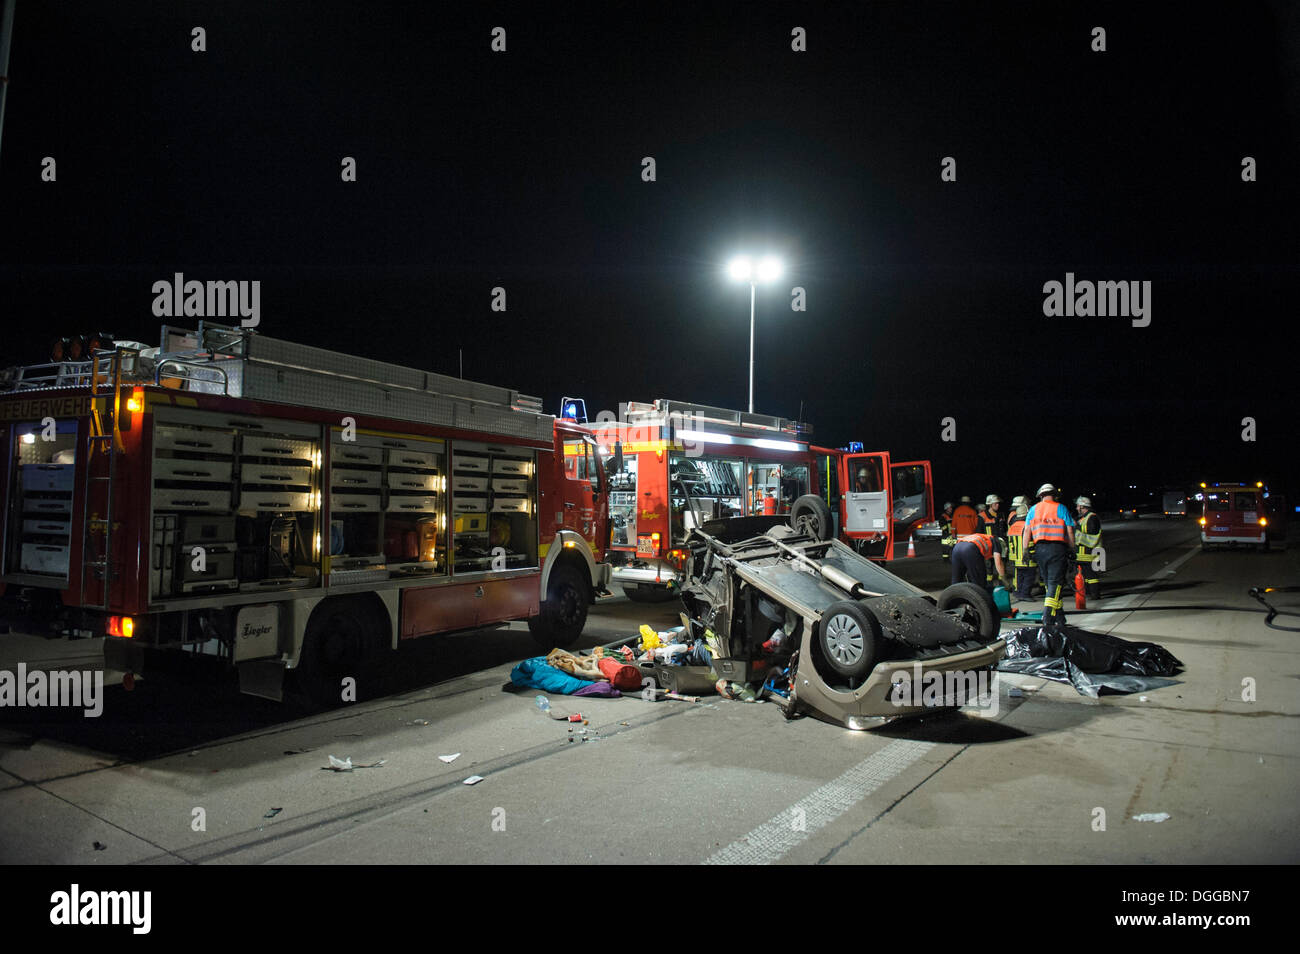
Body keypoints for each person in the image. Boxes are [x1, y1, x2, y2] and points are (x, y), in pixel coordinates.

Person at [1022, 483, 1076, 629]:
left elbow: (1027, 531)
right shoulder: (1061, 508)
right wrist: (1072, 548)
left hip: (1040, 550)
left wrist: (1025, 550)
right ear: (1054, 494)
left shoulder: (1033, 509)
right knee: (1055, 584)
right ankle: (1047, 617)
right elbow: (1070, 530)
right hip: (1057, 549)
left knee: (1049, 584)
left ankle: (1060, 617)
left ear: (1040, 495)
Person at [1006, 497, 1037, 599]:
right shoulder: (1026, 526)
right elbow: (1030, 541)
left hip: (1016, 559)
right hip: (1027, 557)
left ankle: (1019, 593)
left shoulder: (1012, 526)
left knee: (1019, 576)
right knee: (1029, 576)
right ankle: (1025, 594)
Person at [1074, 495, 1103, 599]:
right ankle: (1088, 593)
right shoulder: (1083, 518)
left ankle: (1095, 594)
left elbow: (1091, 534)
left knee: (1091, 576)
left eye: (1078, 506)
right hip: (1082, 554)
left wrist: (1076, 528)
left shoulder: (1092, 517)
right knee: (1085, 575)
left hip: (1090, 553)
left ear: (1082, 506)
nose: (1077, 508)